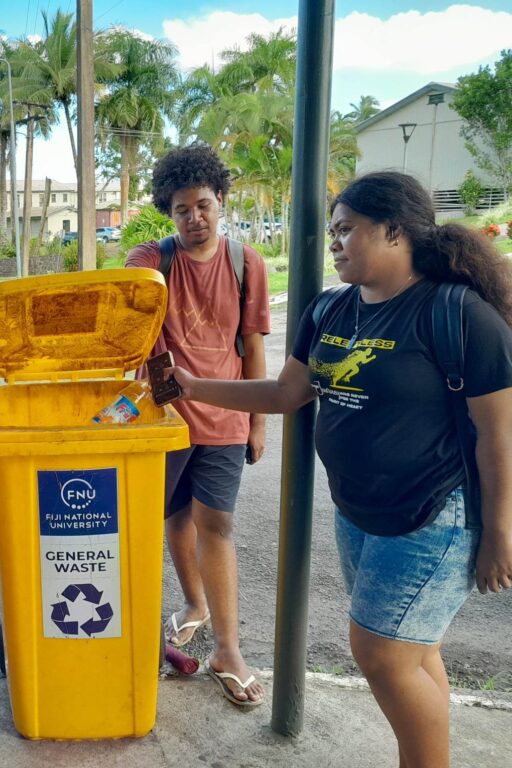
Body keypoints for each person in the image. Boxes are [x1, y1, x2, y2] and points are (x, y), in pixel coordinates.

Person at [169, 171, 512, 766]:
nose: (333, 242)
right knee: (412, 651)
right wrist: (192, 386)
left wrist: (502, 531)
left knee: (381, 653)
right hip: (356, 512)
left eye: (347, 230)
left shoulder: (458, 312)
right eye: (332, 231)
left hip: (432, 514)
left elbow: (498, 434)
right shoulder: (331, 308)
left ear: (395, 230)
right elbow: (284, 393)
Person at [125, 143, 270, 706]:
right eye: (182, 209)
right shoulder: (150, 259)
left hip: (228, 417)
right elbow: (127, 309)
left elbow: (253, 347)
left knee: (217, 525)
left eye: (204, 205)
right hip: (163, 419)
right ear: (169, 211)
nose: (194, 218)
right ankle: (193, 605)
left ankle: (227, 649)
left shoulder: (246, 265)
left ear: (221, 202)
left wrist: (258, 423)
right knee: (173, 515)